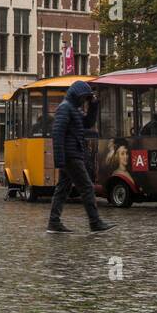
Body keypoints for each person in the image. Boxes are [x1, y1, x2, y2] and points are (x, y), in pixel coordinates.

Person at [49, 80, 114, 234]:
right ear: (77, 95)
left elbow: (88, 123)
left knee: (62, 189)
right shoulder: (65, 108)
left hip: (72, 154)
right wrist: (60, 160)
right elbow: (57, 134)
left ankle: (54, 222)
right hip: (71, 156)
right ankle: (95, 222)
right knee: (87, 188)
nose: (85, 100)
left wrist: (94, 105)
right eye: (84, 98)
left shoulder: (74, 109)